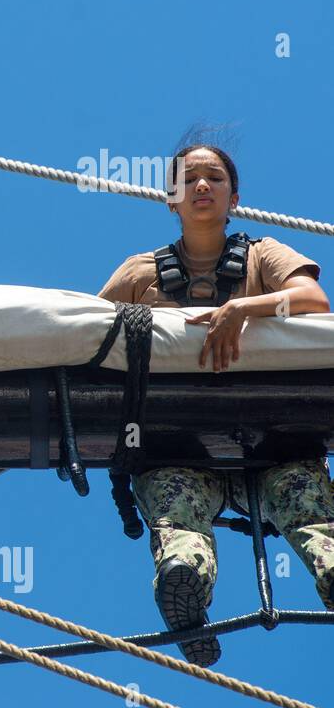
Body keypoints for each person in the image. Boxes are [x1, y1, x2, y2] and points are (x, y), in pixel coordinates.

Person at [98, 142, 334, 666]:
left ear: (234, 198)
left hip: (276, 442)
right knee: (177, 517)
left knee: (311, 515)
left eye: (214, 179)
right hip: (175, 443)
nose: (202, 187)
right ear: (171, 200)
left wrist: (242, 307)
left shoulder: (263, 255)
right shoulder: (140, 274)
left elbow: (314, 301)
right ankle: (183, 589)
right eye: (189, 179)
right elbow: (90, 339)